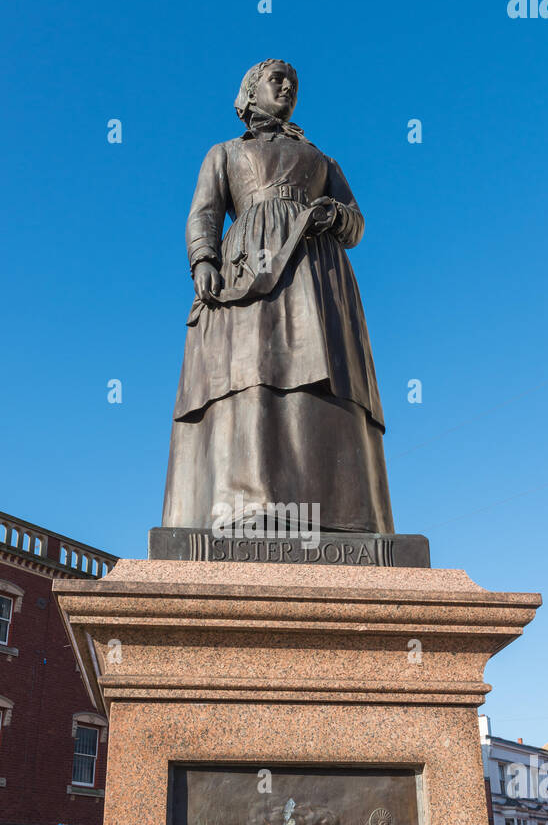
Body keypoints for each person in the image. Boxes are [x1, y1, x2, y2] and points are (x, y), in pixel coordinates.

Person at [161, 59, 394, 535]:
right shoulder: (224, 153)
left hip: (318, 270)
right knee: (255, 371)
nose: (288, 86)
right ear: (250, 91)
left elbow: (357, 222)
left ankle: (340, 509)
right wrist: (203, 259)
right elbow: (203, 212)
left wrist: (335, 217)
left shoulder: (322, 159)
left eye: (294, 82)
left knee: (321, 377)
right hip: (250, 267)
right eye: (276, 79)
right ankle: (250, 501)